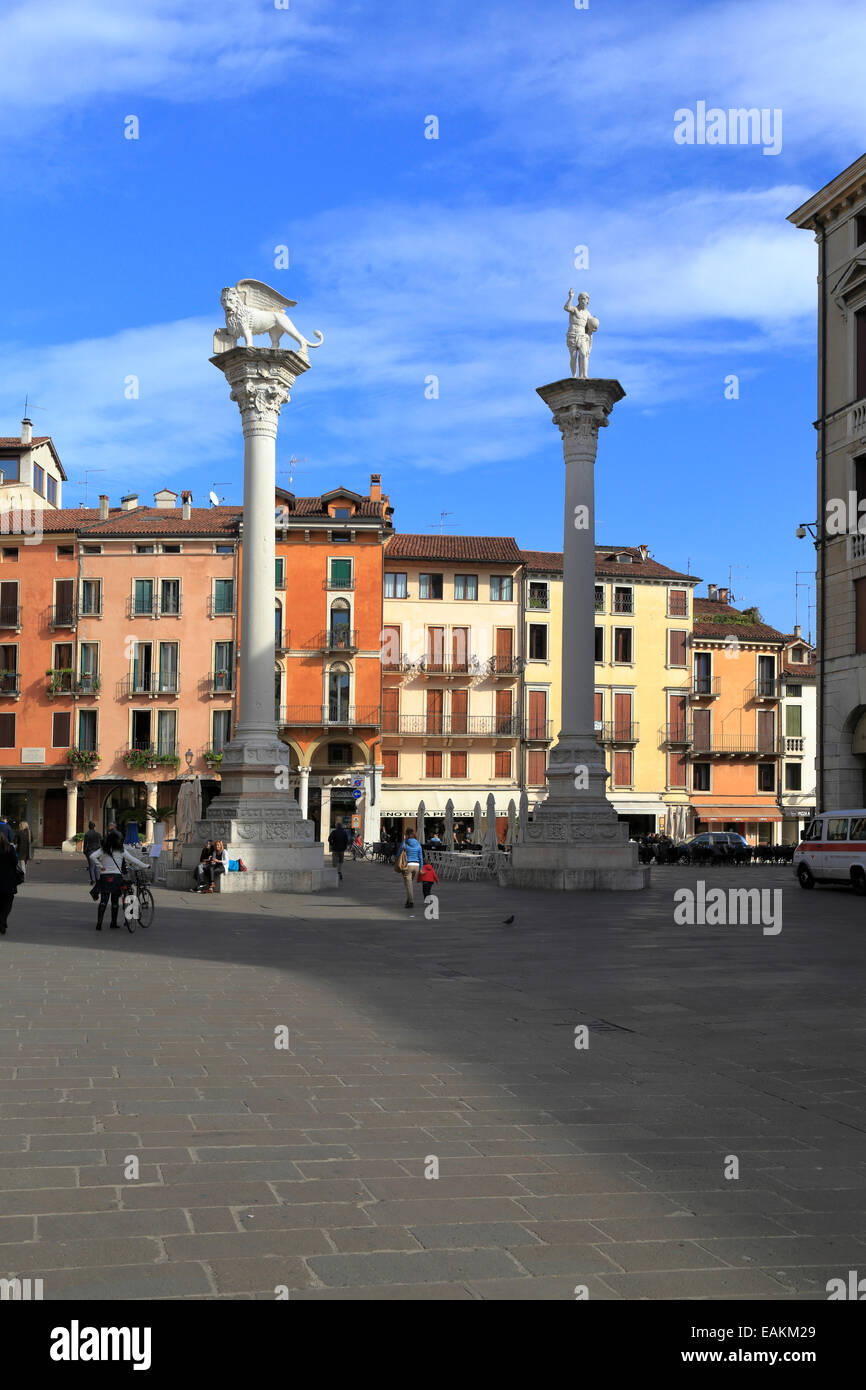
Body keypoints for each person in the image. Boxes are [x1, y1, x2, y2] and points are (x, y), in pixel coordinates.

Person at [89, 829, 148, 931]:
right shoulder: (121, 851)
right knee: (115, 900)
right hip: (116, 877)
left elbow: (92, 856)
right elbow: (133, 859)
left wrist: (100, 865)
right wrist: (145, 865)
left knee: (103, 900)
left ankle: (99, 923)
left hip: (105, 877)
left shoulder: (103, 849)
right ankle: (113, 923)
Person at [0, 831, 22, 935]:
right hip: (8, 881)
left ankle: (2, 921)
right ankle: (3, 920)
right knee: (7, 903)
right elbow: (15, 861)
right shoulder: (10, 849)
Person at [398, 825, 424, 909]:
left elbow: (399, 852)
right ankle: (408, 901)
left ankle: (411, 901)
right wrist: (421, 868)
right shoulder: (418, 844)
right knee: (409, 884)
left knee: (408, 884)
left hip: (407, 866)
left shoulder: (405, 842)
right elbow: (421, 857)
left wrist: (396, 860)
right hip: (416, 866)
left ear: (407, 834)